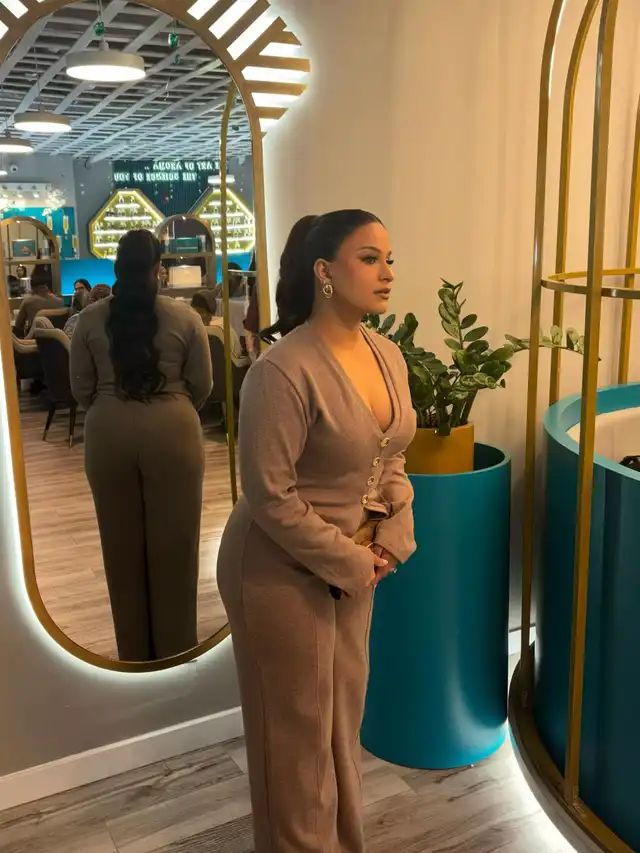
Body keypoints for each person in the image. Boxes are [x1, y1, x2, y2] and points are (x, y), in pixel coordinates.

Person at [217, 210, 416, 853]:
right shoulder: (282, 370)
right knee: (295, 740)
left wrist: (392, 533)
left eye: (389, 259)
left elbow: (390, 457)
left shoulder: (387, 355)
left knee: (341, 723)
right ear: (325, 271)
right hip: (276, 569)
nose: (387, 273)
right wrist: (354, 561)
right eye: (369, 258)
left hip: (354, 565)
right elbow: (269, 495)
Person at [70, 230, 213, 662]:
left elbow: (81, 390)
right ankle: (176, 654)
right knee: (176, 549)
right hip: (173, 433)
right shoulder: (186, 319)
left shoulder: (89, 321)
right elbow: (202, 386)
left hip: (108, 433)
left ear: (116, 268)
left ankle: (133, 655)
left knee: (120, 549)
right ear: (158, 269)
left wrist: (113, 404)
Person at [13, 265, 63, 338]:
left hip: (35, 339)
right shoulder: (60, 302)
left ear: (32, 288)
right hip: (57, 339)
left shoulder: (28, 302)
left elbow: (18, 325)